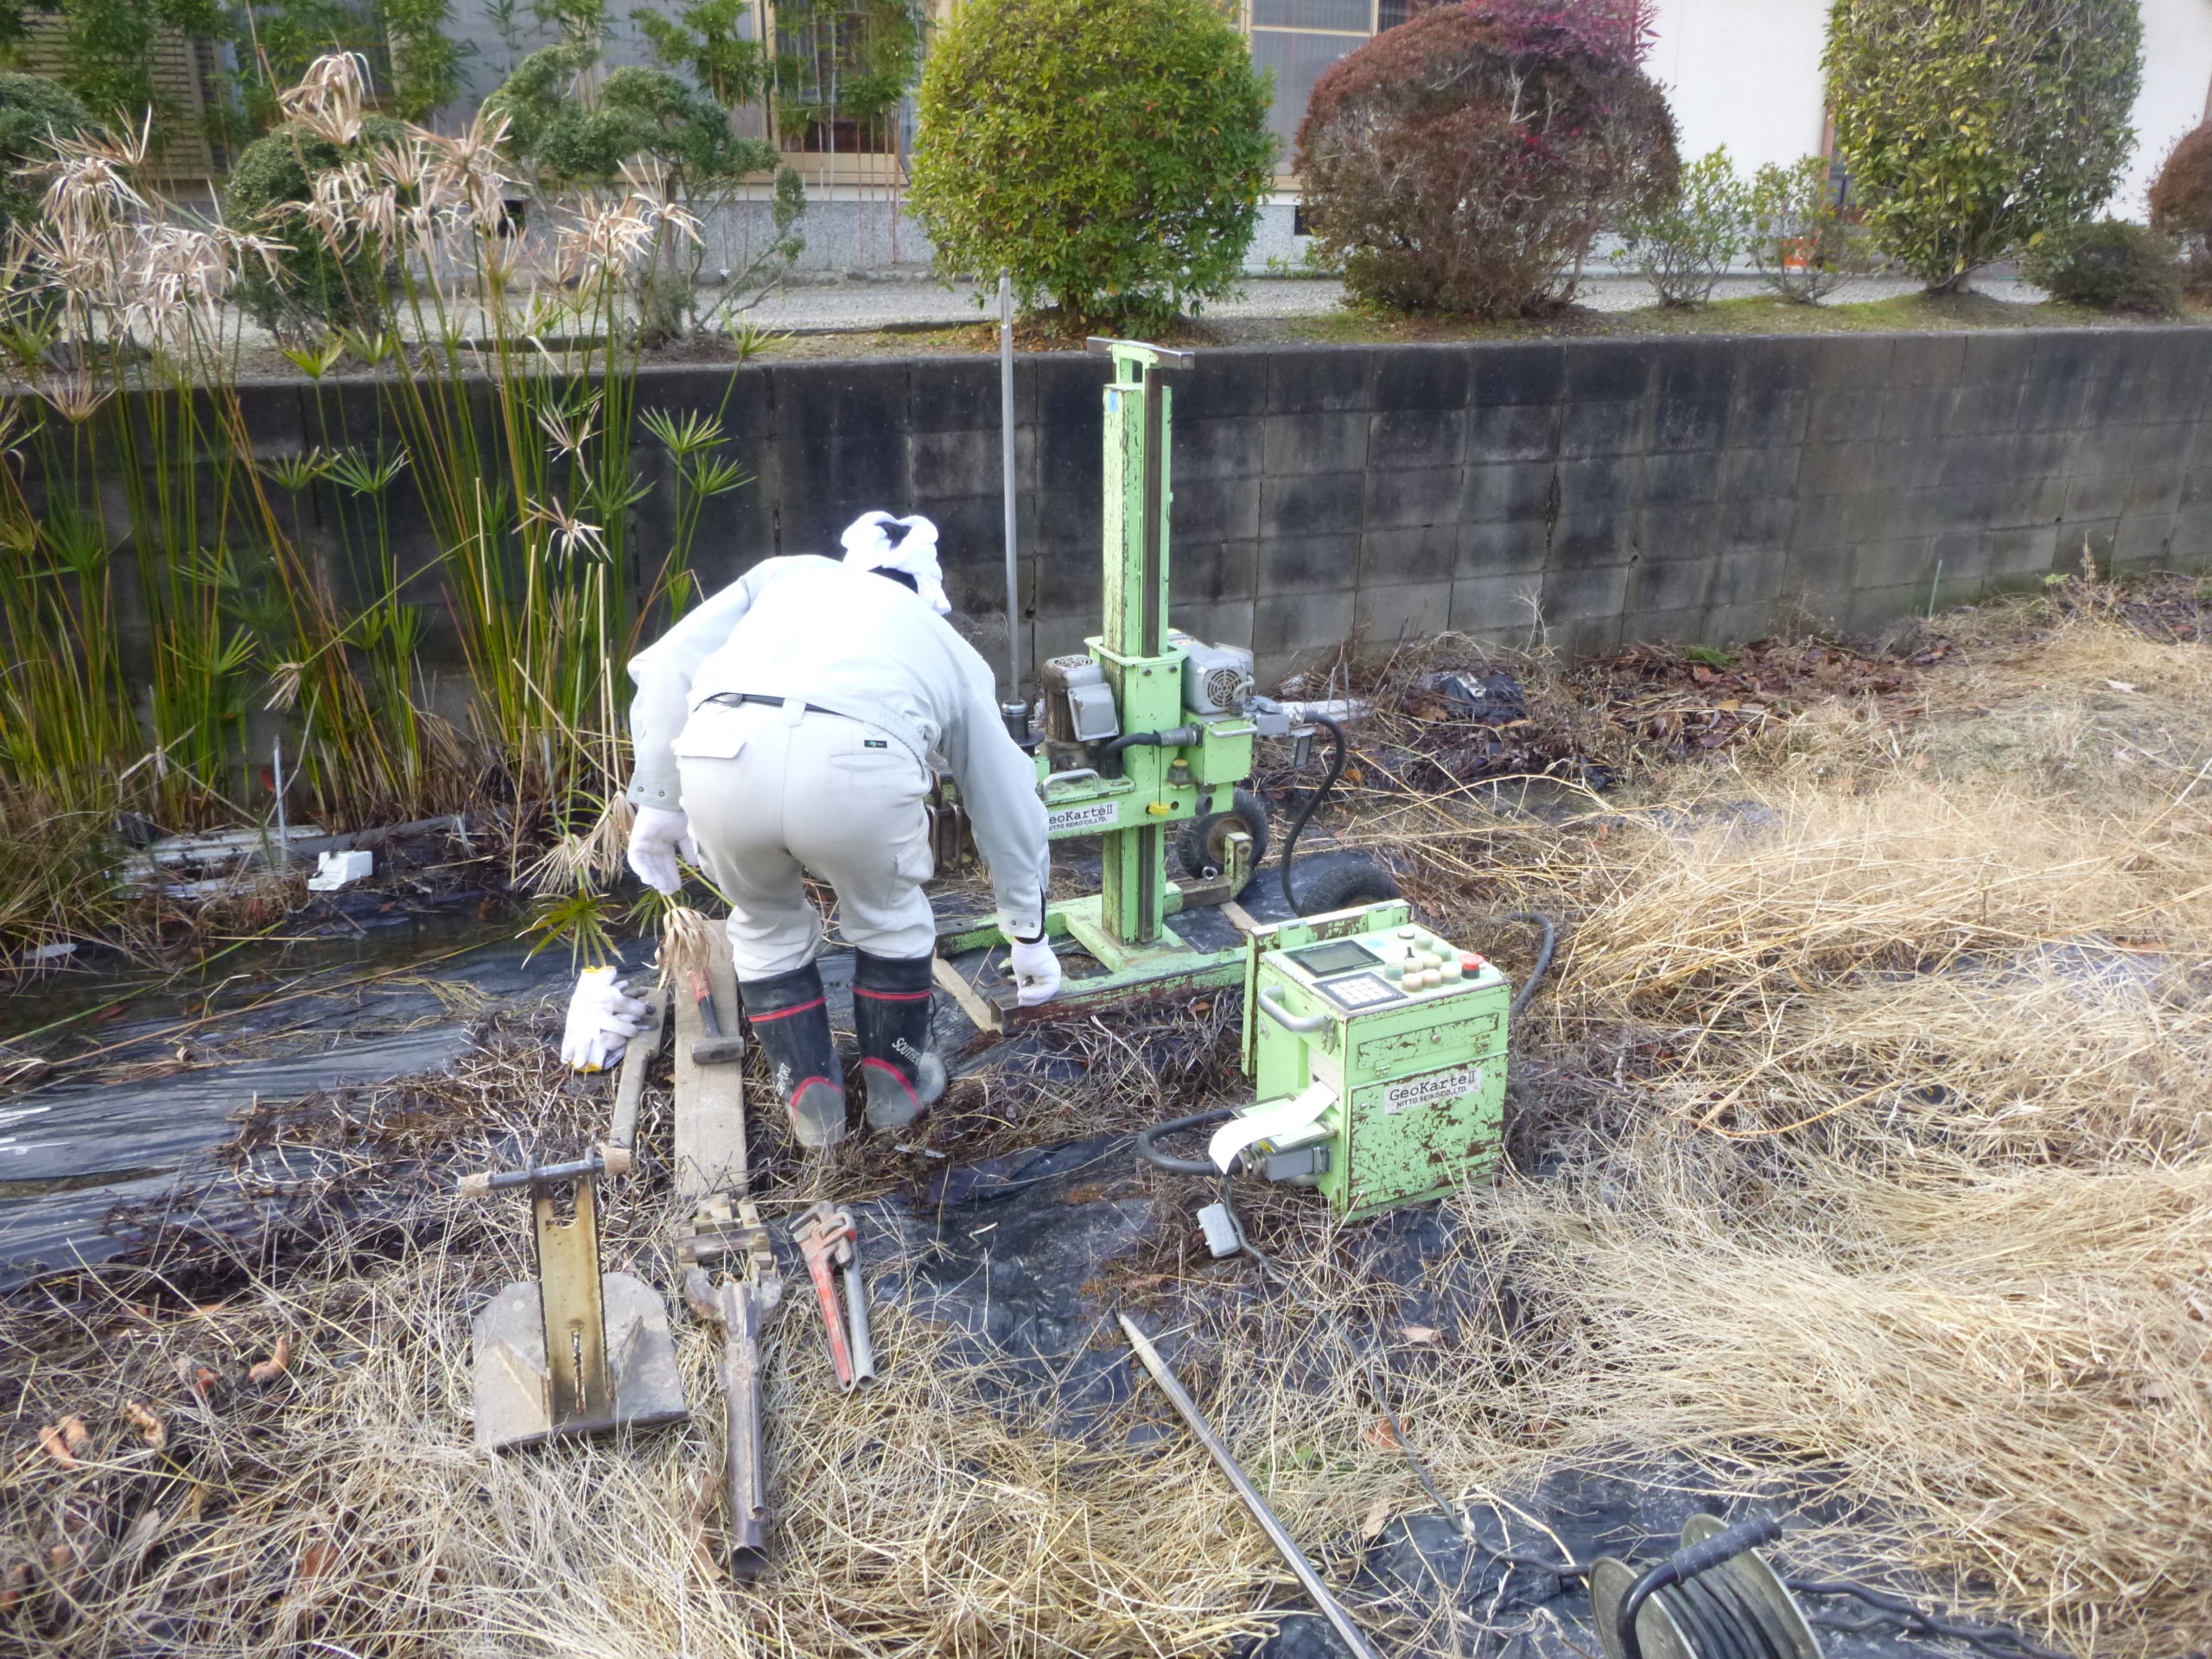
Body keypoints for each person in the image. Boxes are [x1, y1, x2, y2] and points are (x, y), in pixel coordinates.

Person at [563, 512, 1060, 1149]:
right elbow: (1005, 796)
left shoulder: (784, 577)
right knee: (889, 920)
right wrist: (1026, 930)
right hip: (857, 765)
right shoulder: (943, 642)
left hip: (720, 755)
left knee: (764, 926)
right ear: (926, 593)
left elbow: (668, 664)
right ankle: (897, 1089)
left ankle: (811, 1103)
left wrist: (659, 799)